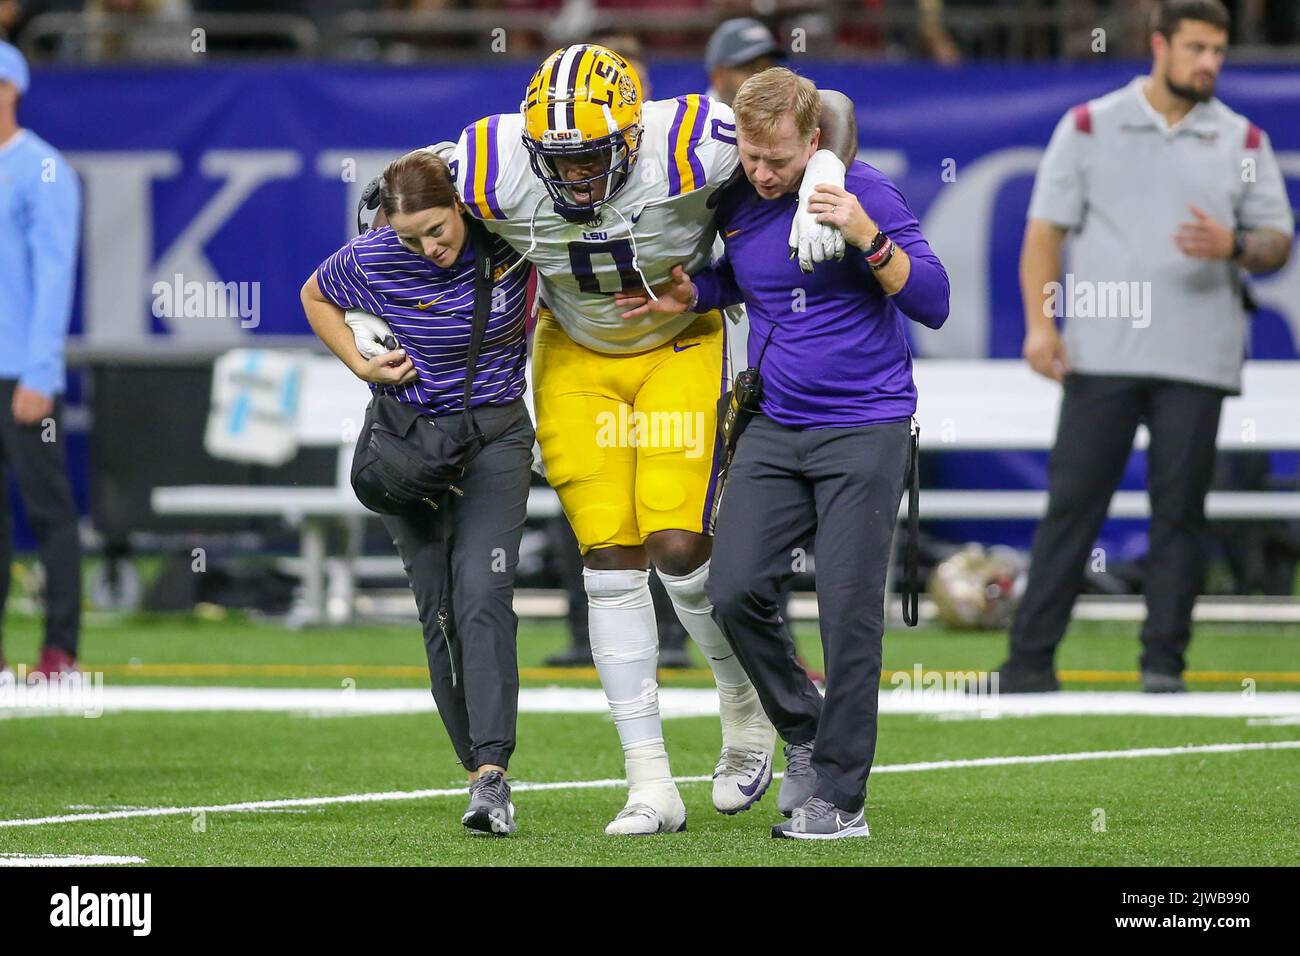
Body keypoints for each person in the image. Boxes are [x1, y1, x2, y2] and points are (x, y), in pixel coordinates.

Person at [445, 44, 860, 833]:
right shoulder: (488, 159)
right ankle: (649, 783)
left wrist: (825, 180)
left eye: (591, 157)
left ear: (631, 136)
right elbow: (410, 189)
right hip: (573, 355)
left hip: (678, 340)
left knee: (679, 544)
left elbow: (828, 105)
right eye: (557, 161)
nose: (573, 178)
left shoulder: (692, 139)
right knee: (607, 559)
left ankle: (744, 709)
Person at [616, 66, 949, 839]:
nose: (764, 175)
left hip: (864, 428)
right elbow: (742, 278)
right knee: (731, 590)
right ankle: (804, 728)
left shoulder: (864, 189)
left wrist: (865, 235)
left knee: (848, 613)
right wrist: (691, 294)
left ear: (813, 140)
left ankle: (841, 800)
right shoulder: (736, 195)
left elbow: (931, 301)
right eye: (754, 159)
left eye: (779, 160)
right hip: (772, 424)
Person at [998, 0, 1294, 694]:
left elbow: (1277, 241)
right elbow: (1044, 233)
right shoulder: (1089, 126)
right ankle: (1028, 666)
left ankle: (1163, 667)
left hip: (1199, 359)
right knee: (1073, 509)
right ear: (1158, 45)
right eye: (1196, 48)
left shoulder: (1242, 141)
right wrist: (1042, 325)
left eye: (1218, 51)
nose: (1209, 63)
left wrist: (1238, 245)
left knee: (1180, 518)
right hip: (1100, 356)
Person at [301, 148, 534, 835]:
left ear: (461, 206)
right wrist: (359, 361)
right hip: (412, 447)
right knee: (437, 612)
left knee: (482, 596)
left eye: (437, 229)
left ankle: (493, 775)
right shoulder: (373, 256)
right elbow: (315, 295)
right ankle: (473, 770)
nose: (428, 248)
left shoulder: (511, 235)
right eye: (411, 237)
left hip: (494, 438)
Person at [0, 41, 83, 681]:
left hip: (21, 375)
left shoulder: (43, 169)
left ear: (10, 89)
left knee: (48, 512)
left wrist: (40, 371)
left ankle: (59, 652)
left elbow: (55, 277)